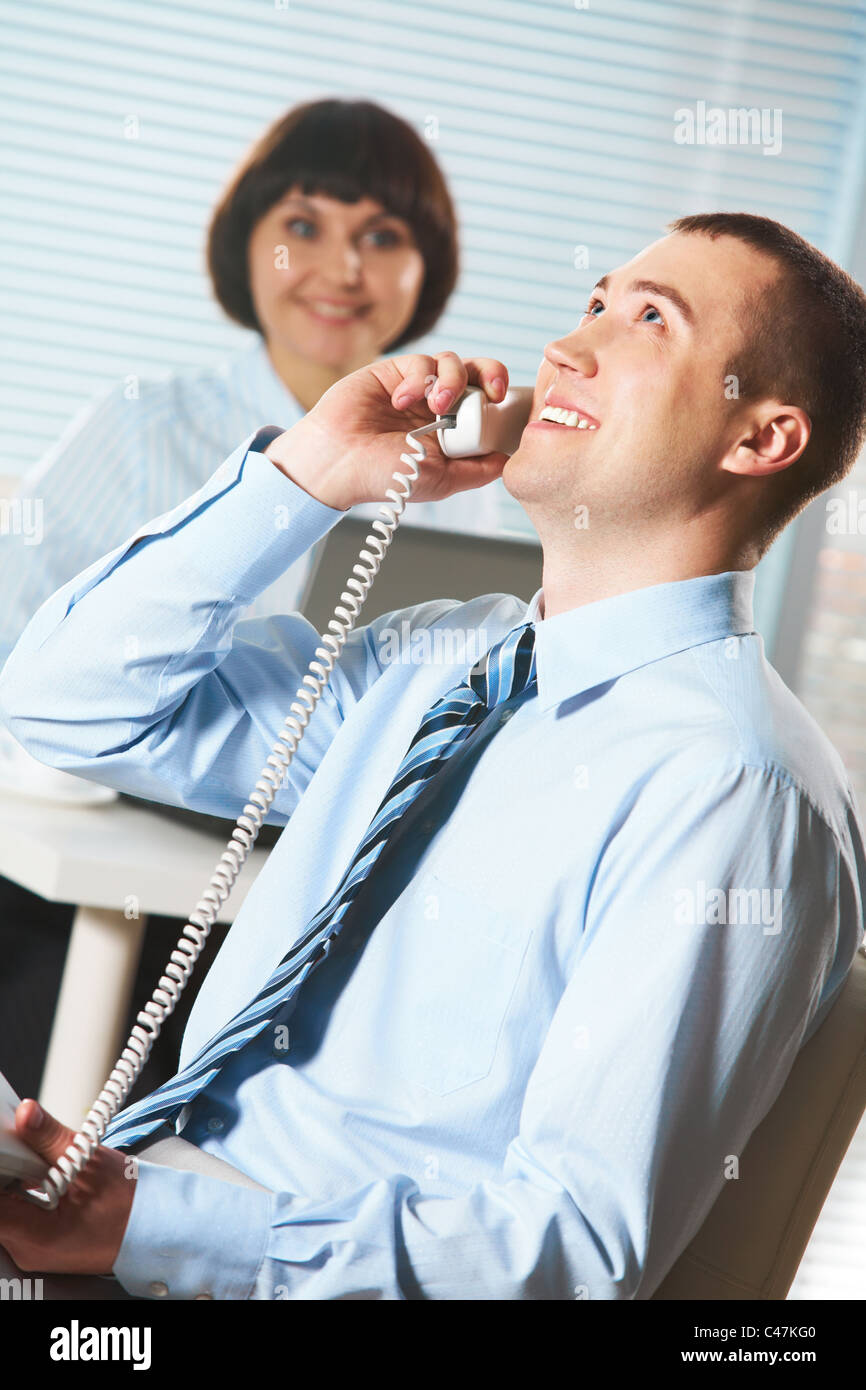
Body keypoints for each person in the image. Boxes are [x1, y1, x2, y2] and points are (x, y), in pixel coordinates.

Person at [1, 212, 865, 1301]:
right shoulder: (440, 659)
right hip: (141, 1231)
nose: (570, 343)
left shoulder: (731, 787)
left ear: (759, 439)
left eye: (648, 320)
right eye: (593, 301)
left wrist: (152, 1224)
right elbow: (68, 703)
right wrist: (308, 475)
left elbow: (570, 1249)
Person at [0, 96, 461, 1104]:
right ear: (243, 243)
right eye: (303, 226)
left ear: (426, 265)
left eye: (380, 237)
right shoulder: (139, 424)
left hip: (299, 897)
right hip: (80, 885)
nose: (342, 270)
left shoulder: (454, 479)